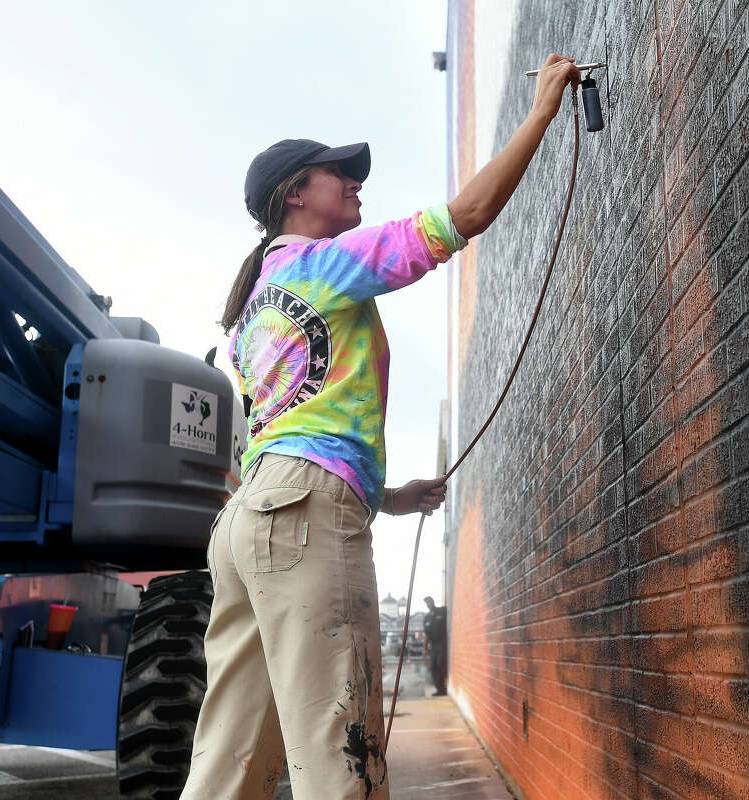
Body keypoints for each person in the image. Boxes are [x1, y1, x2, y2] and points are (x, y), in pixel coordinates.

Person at [180, 54, 582, 800]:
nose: (353, 180)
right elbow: (463, 219)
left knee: (228, 765)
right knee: (341, 755)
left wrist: (389, 497)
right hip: (299, 519)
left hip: (246, 526)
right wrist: (541, 115)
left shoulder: (252, 306)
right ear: (295, 194)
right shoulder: (322, 265)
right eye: (338, 173)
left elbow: (294, 429)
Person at [422, 596, 448, 695]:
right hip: (433, 646)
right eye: (426, 603)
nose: (428, 604)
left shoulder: (443, 611)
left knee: (440, 663)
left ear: (433, 602)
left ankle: (444, 687)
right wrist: (424, 649)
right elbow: (427, 635)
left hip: (443, 643)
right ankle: (440, 689)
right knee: (433, 667)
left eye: (429, 602)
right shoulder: (427, 618)